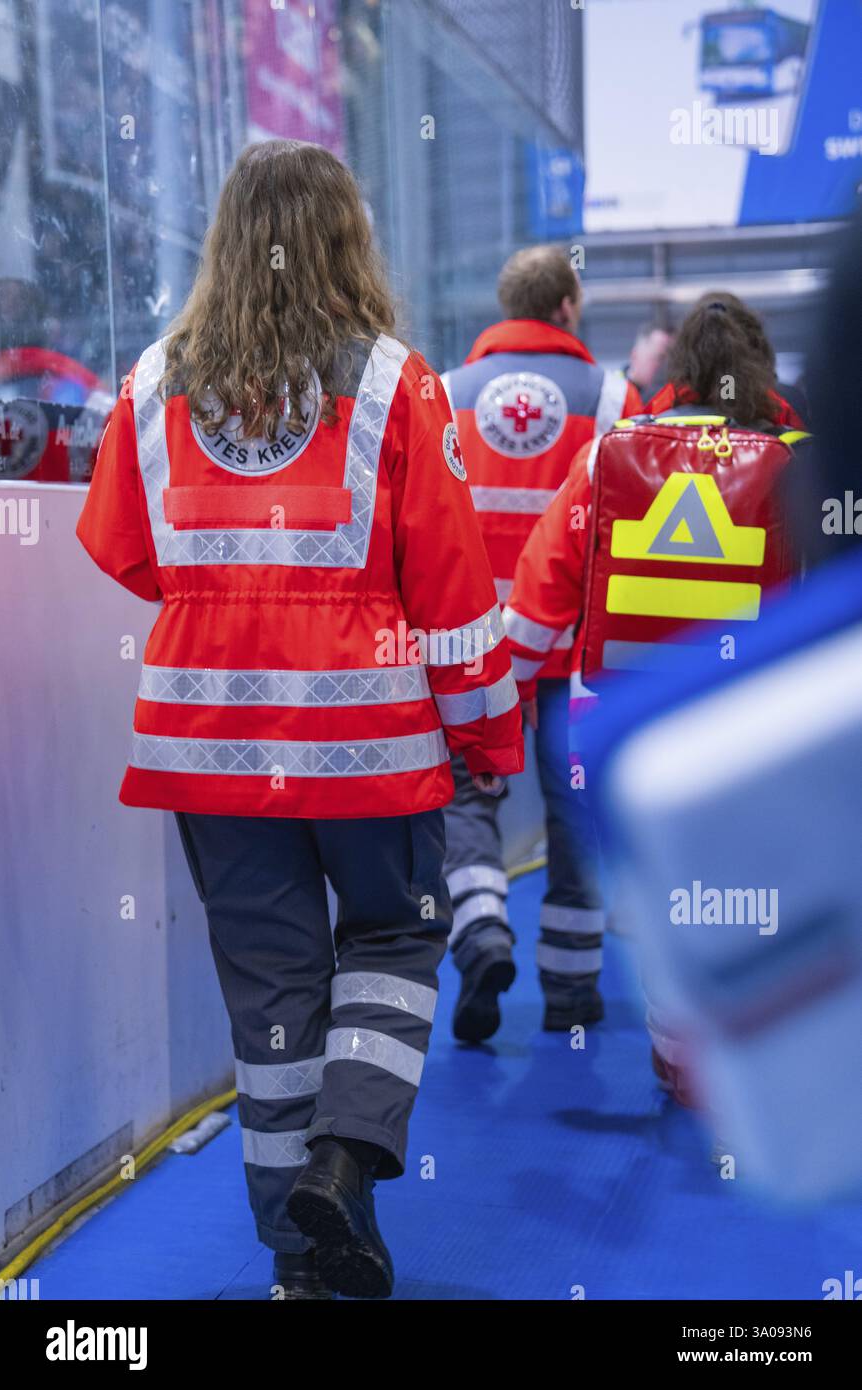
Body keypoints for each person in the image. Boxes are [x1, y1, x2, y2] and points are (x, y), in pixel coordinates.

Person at [76, 138, 523, 1300]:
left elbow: (128, 553)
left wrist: (233, 604)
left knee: (270, 1001)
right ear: (346, 237)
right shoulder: (392, 382)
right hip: (367, 743)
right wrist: (485, 738)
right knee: (394, 935)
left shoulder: (150, 383)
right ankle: (346, 1154)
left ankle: (304, 1263)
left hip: (207, 747)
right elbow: (455, 599)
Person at [504, 290, 811, 1102]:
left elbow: (540, 597)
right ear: (759, 369)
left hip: (622, 725)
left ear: (679, 371)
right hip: (751, 723)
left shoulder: (606, 457)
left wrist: (491, 702)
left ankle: (678, 1051)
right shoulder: (797, 463)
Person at [439, 245, 643, 1042]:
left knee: (466, 794)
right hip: (569, 647)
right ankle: (571, 993)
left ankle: (482, 931)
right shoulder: (614, 395)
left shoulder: (448, 393)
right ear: (566, 306)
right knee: (574, 809)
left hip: (471, 645)